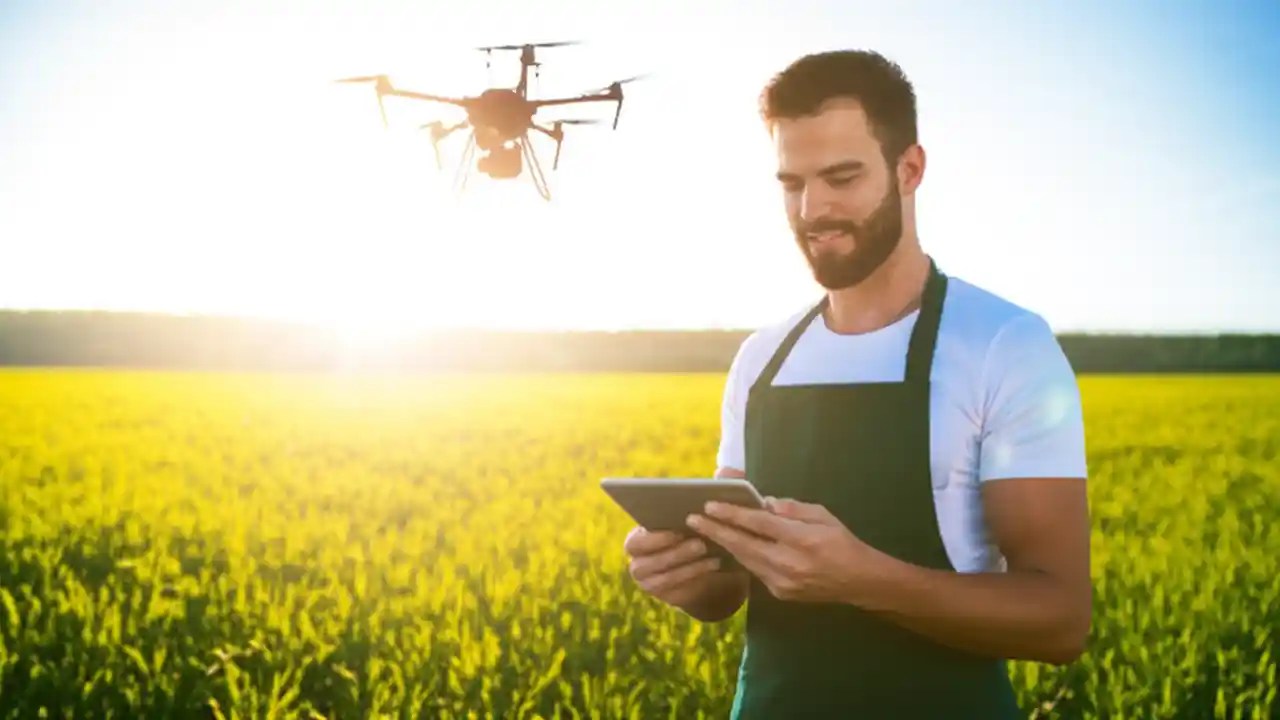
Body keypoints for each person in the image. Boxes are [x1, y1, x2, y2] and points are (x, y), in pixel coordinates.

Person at [622, 49, 1091, 718]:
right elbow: (727, 590)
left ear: (910, 169)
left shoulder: (1002, 346)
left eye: (842, 177)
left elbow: (1060, 620)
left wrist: (863, 579)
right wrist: (687, 575)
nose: (813, 209)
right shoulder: (763, 359)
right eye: (793, 183)